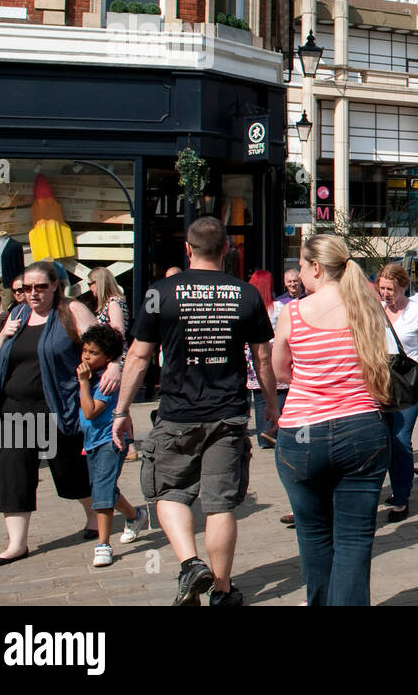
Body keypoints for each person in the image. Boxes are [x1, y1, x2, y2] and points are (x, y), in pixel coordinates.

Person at [111, 217, 277, 606]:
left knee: (170, 492)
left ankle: (189, 564)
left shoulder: (160, 292)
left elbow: (138, 355)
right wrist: (270, 403)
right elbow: (263, 356)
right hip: (229, 412)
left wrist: (122, 410)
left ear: (187, 249)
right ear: (225, 250)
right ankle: (221, 590)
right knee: (219, 503)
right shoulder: (246, 294)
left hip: (177, 411)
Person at [271, 234, 394, 606]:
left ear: (317, 268)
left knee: (313, 537)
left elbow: (280, 371)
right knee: (355, 540)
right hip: (362, 429)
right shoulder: (367, 306)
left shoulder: (292, 313)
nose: (302, 274)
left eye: (304, 266)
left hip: (302, 434)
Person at [0, 261, 112, 565]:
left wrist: (109, 371)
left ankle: (95, 513)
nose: (33, 294)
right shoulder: (17, 314)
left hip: (58, 405)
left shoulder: (71, 311)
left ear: (56, 285)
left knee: (68, 469)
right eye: (26, 289)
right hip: (15, 406)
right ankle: (16, 543)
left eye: (40, 287)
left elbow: (102, 344)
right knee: (14, 474)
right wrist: (3, 336)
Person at [76, 324, 145, 567]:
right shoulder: (93, 374)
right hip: (92, 441)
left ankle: (103, 544)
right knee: (103, 487)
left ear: (108, 357)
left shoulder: (106, 381)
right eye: (85, 351)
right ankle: (135, 515)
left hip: (111, 440)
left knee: (102, 492)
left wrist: (83, 382)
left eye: (93, 353)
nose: (86, 356)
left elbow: (91, 411)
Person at [378, 263, 418, 521]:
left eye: (390, 288)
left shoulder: (417, 311)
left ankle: (401, 497)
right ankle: (396, 485)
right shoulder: (376, 310)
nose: (385, 293)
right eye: (381, 288)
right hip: (380, 381)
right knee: (382, 441)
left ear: (403, 286)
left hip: (407, 382)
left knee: (401, 439)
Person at [244, 270, 288, 450]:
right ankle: (274, 430)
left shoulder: (248, 306)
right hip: (272, 351)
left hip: (251, 353)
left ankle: (263, 435)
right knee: (278, 395)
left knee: (259, 396)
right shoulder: (277, 307)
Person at [87, 266, 128, 341]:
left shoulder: (113, 304)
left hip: (113, 351)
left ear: (99, 282)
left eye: (90, 284)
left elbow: (118, 333)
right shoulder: (110, 303)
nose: (90, 288)